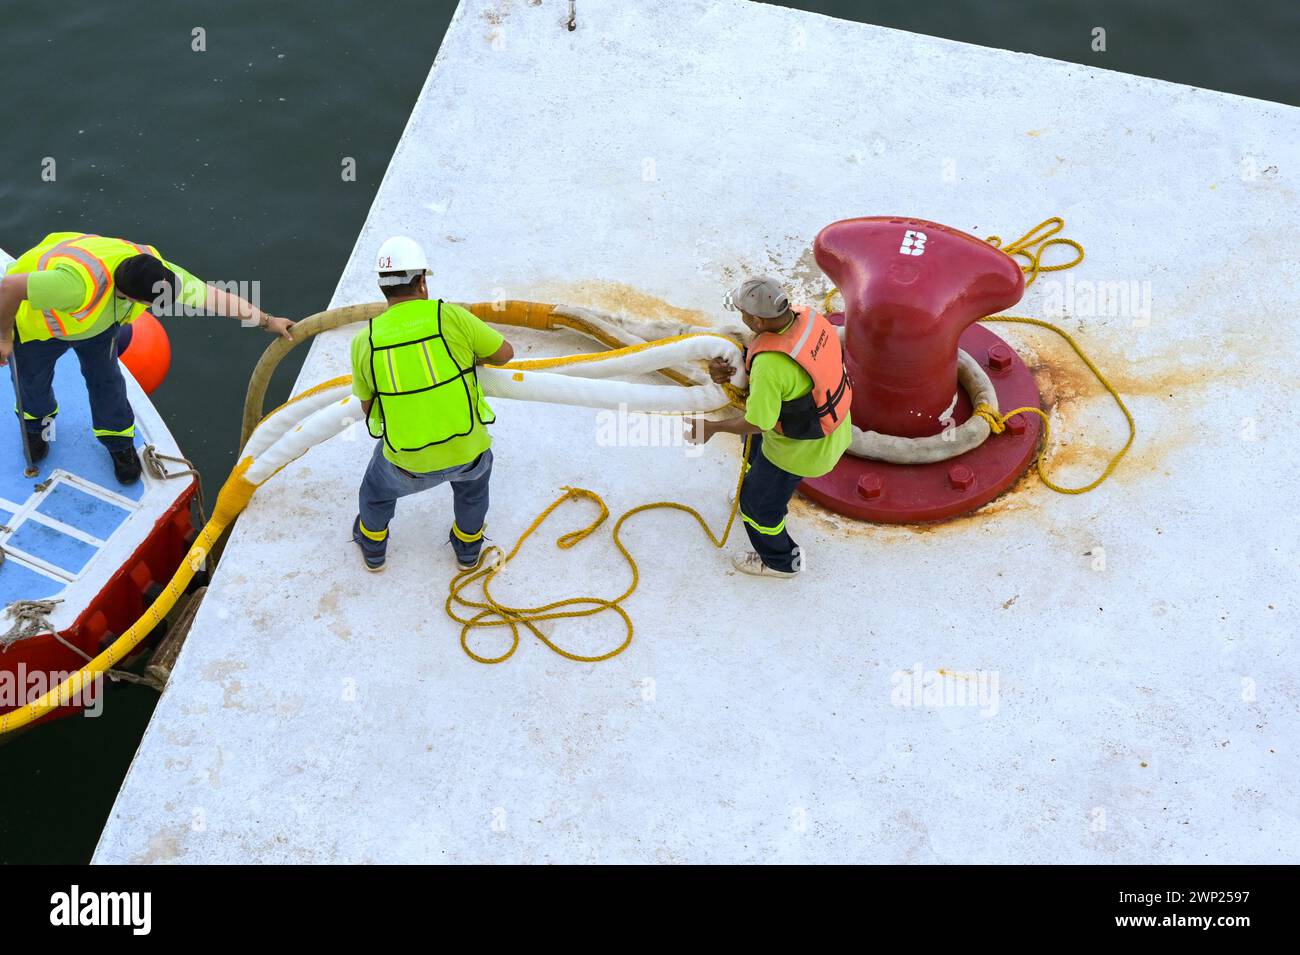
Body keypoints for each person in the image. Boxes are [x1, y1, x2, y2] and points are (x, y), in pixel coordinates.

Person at [0, 231, 293, 483]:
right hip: (40, 326)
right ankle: (36, 427)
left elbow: (213, 297)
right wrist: (3, 337)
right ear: (128, 296)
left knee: (107, 381)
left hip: (97, 325)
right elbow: (10, 287)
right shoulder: (74, 286)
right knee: (31, 383)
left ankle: (118, 443)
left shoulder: (156, 270)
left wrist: (269, 321)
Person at [350, 236, 515, 573]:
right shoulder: (452, 317)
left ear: (382, 287)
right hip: (468, 451)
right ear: (422, 282)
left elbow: (369, 409)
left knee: (374, 493)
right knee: (473, 490)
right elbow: (505, 355)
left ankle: (373, 549)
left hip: (407, 464)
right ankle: (468, 550)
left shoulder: (364, 341)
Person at [688, 276, 853, 578]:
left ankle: (780, 562)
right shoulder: (809, 317)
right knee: (754, 462)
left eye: (742, 313)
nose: (740, 317)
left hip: (797, 451)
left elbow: (756, 422)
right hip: (832, 426)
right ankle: (753, 493)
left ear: (756, 321)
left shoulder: (771, 366)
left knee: (759, 507)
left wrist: (712, 428)